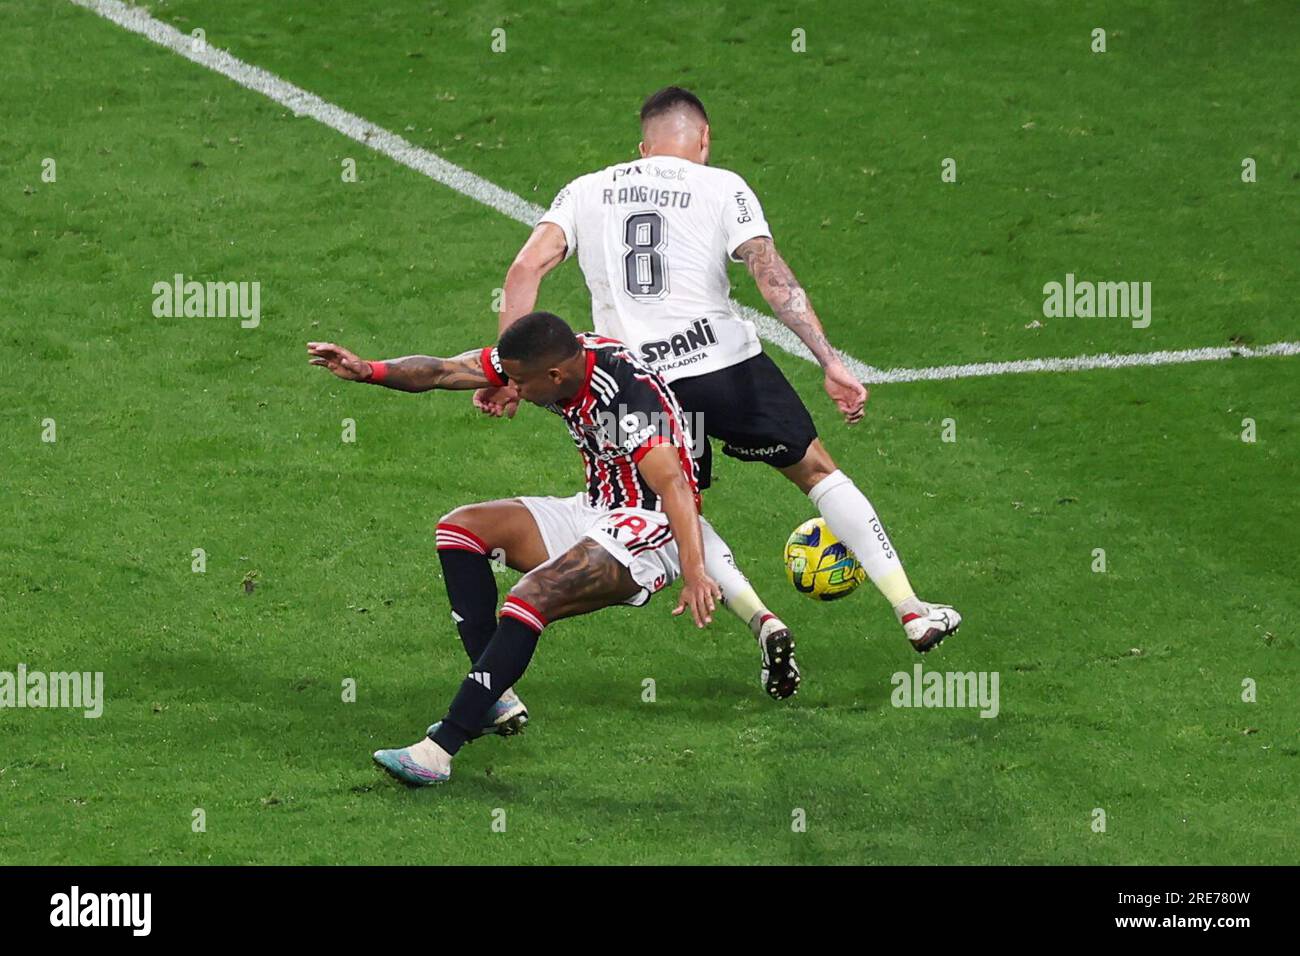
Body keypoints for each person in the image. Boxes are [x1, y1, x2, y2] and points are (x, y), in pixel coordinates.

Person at [478, 86, 961, 657]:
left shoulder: (586, 189)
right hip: (724, 369)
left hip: (633, 388)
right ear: (703, 139)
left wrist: (506, 377)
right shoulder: (723, 185)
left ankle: (763, 621)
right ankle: (910, 609)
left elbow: (524, 267)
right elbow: (771, 274)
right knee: (816, 471)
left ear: (642, 147)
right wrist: (830, 361)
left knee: (670, 500)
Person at [307, 312, 785, 786]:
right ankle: (495, 696)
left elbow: (675, 486)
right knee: (460, 531)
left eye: (518, 382)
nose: (510, 389)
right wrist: (368, 370)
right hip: (594, 508)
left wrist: (696, 571)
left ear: (554, 375)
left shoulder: (628, 396)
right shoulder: (556, 361)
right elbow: (444, 370)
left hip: (651, 524)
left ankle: (439, 750)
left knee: (531, 595)